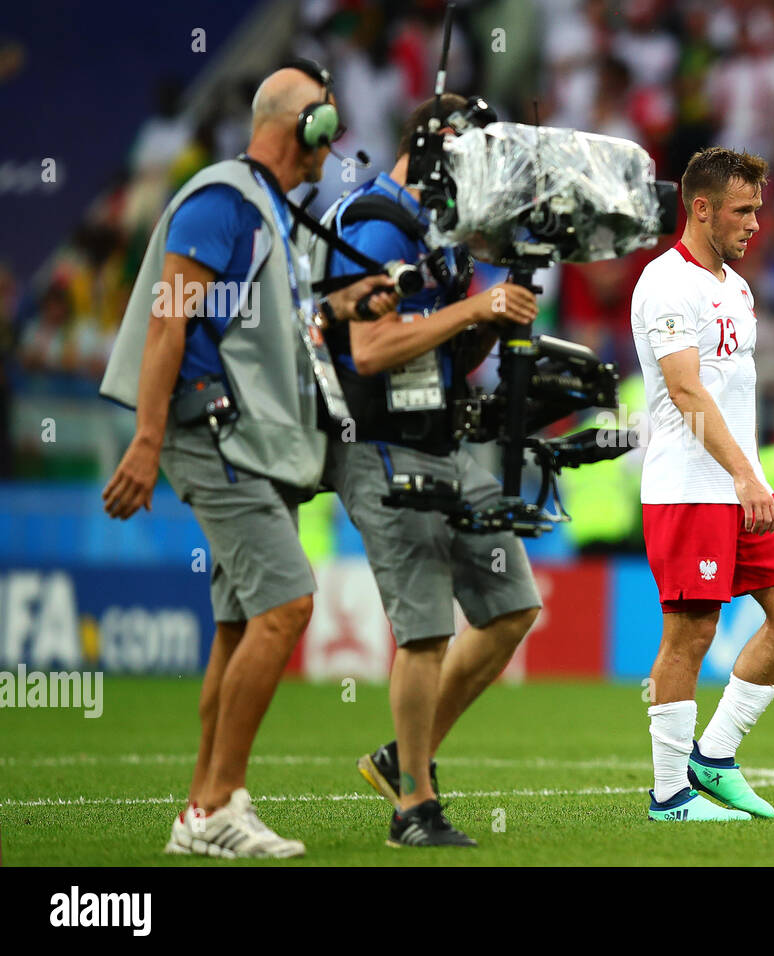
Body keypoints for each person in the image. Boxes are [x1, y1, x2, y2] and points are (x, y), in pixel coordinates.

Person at [99, 60, 397, 857]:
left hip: (250, 442)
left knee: (237, 626)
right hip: (214, 433)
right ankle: (214, 807)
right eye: (326, 124)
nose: (332, 142)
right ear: (303, 126)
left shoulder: (264, 210)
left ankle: (206, 805)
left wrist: (346, 303)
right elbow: (168, 320)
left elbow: (269, 323)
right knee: (287, 605)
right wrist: (147, 441)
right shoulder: (221, 199)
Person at [317, 94, 542, 847]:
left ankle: (400, 759)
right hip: (379, 440)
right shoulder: (376, 222)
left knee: (512, 607)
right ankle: (413, 809)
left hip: (443, 439)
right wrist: (476, 310)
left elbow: (449, 353)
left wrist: (498, 316)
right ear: (438, 149)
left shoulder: (444, 236)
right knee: (423, 630)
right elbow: (372, 349)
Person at [630, 147, 774, 823]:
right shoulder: (665, 283)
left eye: (758, 210)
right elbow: (685, 390)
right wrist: (743, 473)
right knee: (690, 632)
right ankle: (668, 796)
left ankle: (713, 755)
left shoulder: (736, 287)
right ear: (702, 208)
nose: (755, 223)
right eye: (743, 210)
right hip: (691, 485)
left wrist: (748, 475)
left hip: (742, 485)